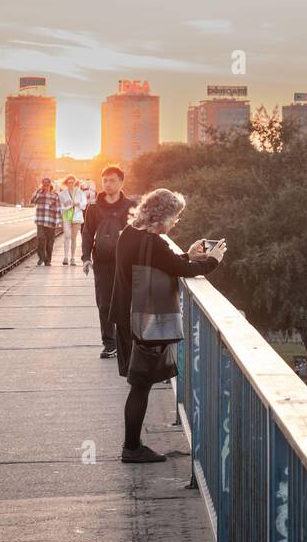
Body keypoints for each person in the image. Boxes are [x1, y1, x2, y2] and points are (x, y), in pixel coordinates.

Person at [110, 188, 225, 463]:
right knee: (140, 385)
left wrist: (186, 254)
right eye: (175, 217)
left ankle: (133, 445)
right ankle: (132, 448)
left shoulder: (130, 234)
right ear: (162, 216)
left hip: (125, 316)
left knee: (138, 384)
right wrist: (213, 261)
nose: (176, 223)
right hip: (145, 321)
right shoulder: (154, 243)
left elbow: (167, 263)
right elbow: (182, 270)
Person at [82, 165, 138, 358]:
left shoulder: (131, 206)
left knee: (125, 302)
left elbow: (139, 232)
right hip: (102, 261)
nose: (108, 183)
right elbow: (87, 232)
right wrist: (85, 258)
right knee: (104, 303)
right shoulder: (94, 207)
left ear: (121, 182)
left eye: (112, 180)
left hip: (125, 263)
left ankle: (125, 343)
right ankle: (109, 343)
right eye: (105, 180)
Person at [29, 176, 61, 265]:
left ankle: (48, 260)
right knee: (41, 239)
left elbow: (58, 208)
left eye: (47, 184)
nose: (46, 186)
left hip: (51, 222)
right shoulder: (39, 193)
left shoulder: (55, 195)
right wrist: (39, 192)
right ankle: (41, 257)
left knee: (50, 243)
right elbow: (32, 201)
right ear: (42, 185)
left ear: (50, 184)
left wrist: (59, 221)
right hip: (40, 221)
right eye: (44, 184)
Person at [57, 175, 87, 265]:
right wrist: (66, 205)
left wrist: (78, 203)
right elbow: (60, 207)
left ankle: (73, 258)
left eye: (72, 182)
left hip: (76, 217)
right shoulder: (62, 194)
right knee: (67, 236)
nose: (71, 184)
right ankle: (65, 257)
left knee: (74, 238)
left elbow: (84, 205)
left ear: (75, 183)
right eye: (69, 182)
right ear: (66, 183)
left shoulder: (80, 193)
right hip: (67, 216)